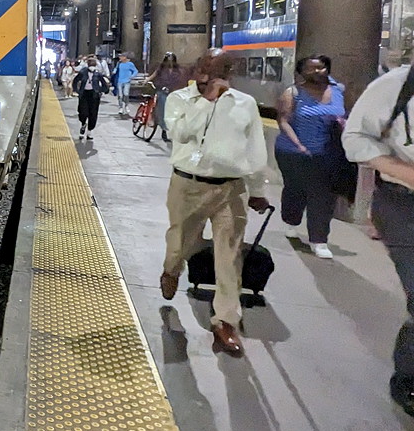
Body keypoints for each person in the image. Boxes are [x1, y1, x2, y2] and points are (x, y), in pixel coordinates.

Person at [158, 51, 270, 357]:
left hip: (231, 189)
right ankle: (171, 270)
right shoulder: (179, 99)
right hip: (188, 186)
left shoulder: (244, 104)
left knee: (229, 256)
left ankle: (226, 322)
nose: (212, 72)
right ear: (197, 69)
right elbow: (179, 133)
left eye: (220, 68)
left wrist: (257, 189)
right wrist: (207, 100)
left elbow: (255, 148)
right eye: (207, 66)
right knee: (180, 243)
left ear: (229, 72)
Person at [342, 64, 414, 417]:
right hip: (404, 203)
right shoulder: (397, 85)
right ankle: (409, 377)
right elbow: (355, 138)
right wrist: (404, 171)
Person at [275, 55, 347, 258]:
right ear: (301, 72)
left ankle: (319, 240)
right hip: (293, 152)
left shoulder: (338, 91)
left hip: (327, 153)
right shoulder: (293, 93)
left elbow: (345, 115)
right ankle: (291, 219)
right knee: (295, 189)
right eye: (310, 68)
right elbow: (283, 121)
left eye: (321, 67)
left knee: (323, 195)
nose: (317, 71)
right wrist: (299, 145)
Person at [147, 52, 187, 143]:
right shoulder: (161, 68)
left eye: (171, 60)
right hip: (162, 90)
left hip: (172, 91)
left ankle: (169, 128)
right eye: (168, 60)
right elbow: (154, 75)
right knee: (163, 108)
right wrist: (147, 80)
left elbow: (181, 79)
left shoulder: (177, 70)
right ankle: (164, 129)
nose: (170, 62)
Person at [75, 54, 109, 141]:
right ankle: (83, 124)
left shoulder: (98, 74)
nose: (92, 67)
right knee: (83, 112)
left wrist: (100, 90)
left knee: (93, 114)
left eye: (93, 65)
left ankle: (90, 131)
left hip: (94, 95)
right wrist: (78, 91)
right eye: (90, 65)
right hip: (84, 94)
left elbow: (105, 85)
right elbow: (75, 81)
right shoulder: (82, 72)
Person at [113, 52, 139, 117]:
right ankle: (121, 107)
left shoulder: (130, 64)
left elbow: (135, 71)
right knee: (120, 95)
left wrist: (132, 76)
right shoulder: (119, 63)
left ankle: (126, 105)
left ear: (125, 57)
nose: (120, 58)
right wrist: (114, 71)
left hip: (127, 81)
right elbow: (116, 69)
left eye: (121, 56)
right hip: (120, 81)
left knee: (126, 94)